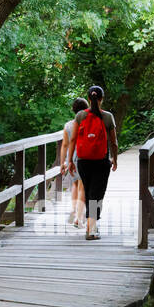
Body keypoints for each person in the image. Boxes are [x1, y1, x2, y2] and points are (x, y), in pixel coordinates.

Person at [65, 84, 118, 240]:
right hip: (101, 161)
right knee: (96, 194)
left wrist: (70, 161)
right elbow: (114, 142)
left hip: (83, 161)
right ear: (102, 98)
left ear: (89, 99)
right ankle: (91, 229)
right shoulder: (108, 116)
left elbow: (73, 139)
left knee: (88, 193)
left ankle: (90, 225)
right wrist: (115, 159)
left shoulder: (80, 116)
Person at [60, 97, 88, 229]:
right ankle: (78, 218)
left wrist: (63, 162)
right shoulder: (88, 123)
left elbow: (65, 145)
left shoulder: (68, 125)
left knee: (75, 186)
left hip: (71, 159)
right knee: (83, 188)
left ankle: (74, 211)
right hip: (84, 158)